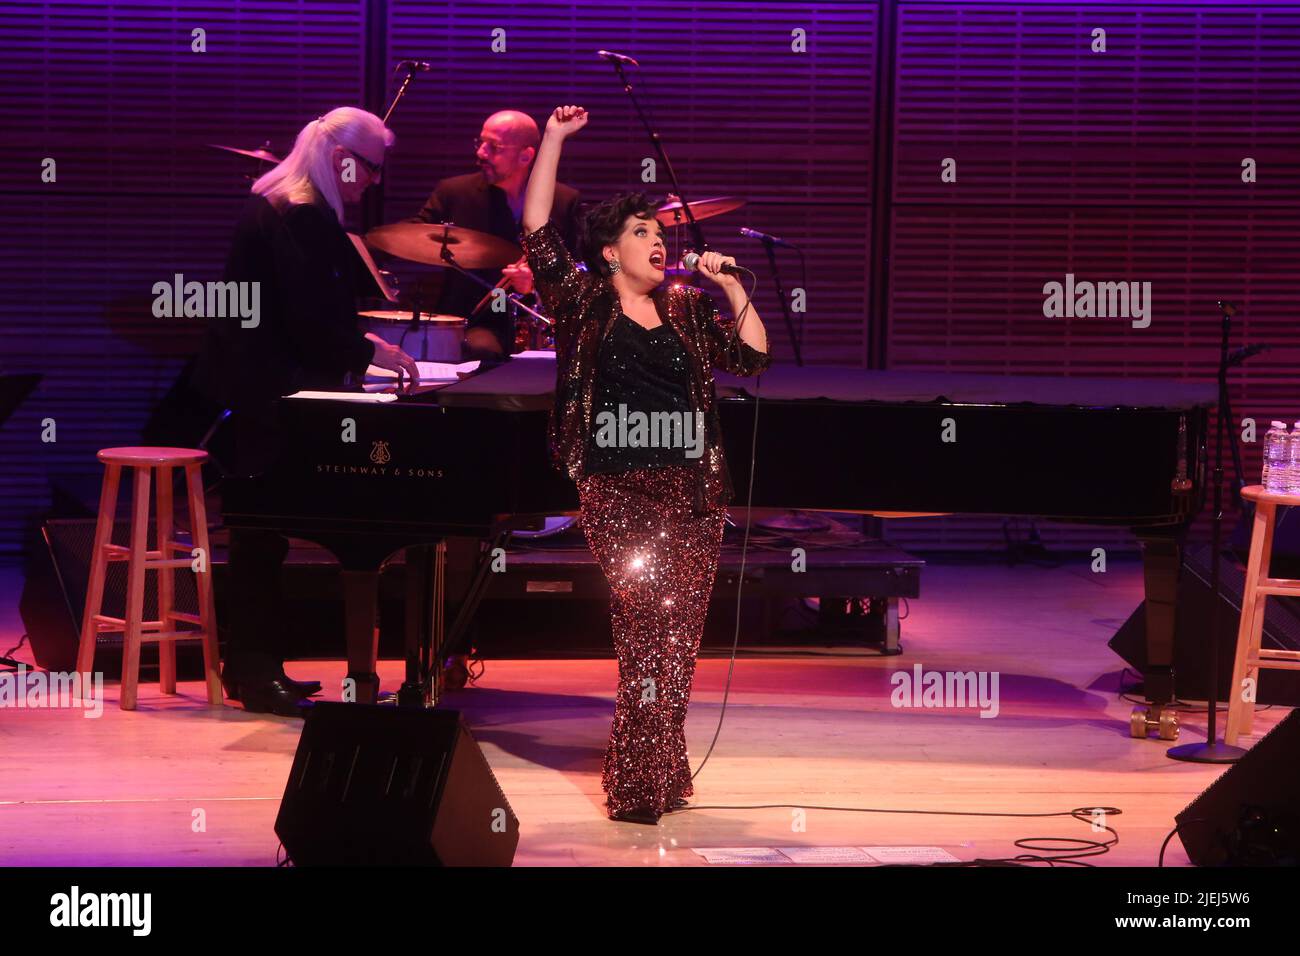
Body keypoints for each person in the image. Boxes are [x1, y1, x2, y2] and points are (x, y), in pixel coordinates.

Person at [521, 105, 771, 823]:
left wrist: (729, 283)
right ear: (607, 252)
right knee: (645, 628)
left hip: (693, 496)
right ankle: (634, 781)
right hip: (621, 490)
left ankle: (663, 775)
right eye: (641, 233)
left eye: (662, 234)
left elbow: (752, 356)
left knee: (679, 640)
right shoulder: (583, 302)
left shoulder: (689, 309)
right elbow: (536, 231)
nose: (658, 243)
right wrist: (555, 139)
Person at [190, 107, 417, 716]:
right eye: (371, 169)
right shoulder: (305, 215)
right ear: (345, 158)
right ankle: (256, 670)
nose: (373, 181)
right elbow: (312, 321)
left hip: (254, 384)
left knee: (260, 534)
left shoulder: (277, 200)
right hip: (271, 393)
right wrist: (372, 350)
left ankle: (252, 667)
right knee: (262, 535)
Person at [412, 110, 581, 356]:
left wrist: (536, 284)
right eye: (480, 143)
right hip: (477, 321)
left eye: (494, 147)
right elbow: (412, 235)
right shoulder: (455, 193)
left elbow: (579, 268)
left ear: (525, 156)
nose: (480, 153)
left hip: (543, 324)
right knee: (483, 349)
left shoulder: (564, 200)